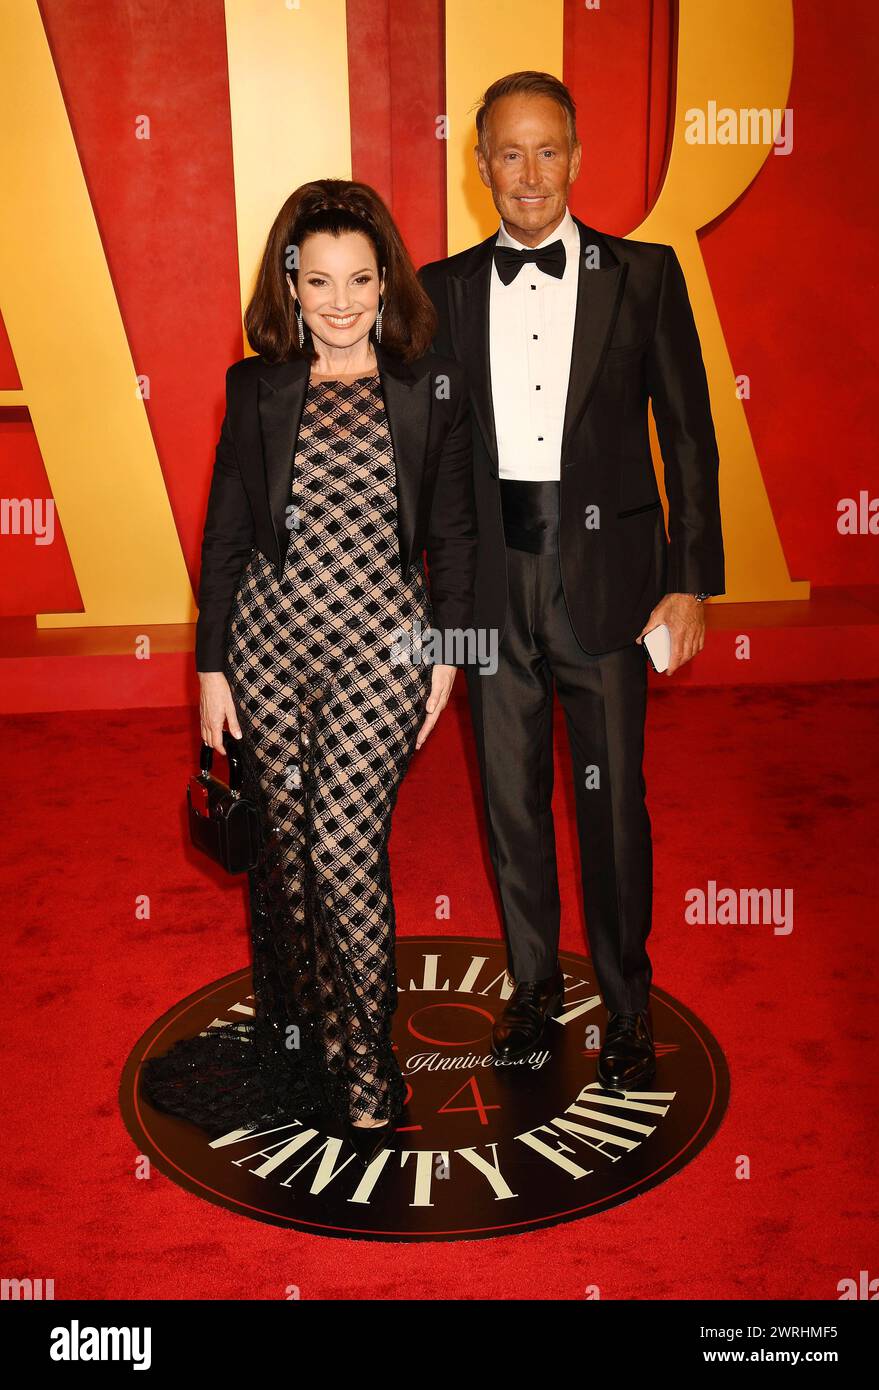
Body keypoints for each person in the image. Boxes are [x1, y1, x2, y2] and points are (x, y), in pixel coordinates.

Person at [140, 180, 476, 1165]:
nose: (339, 301)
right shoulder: (257, 386)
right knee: (286, 865)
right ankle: (313, 1043)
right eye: (318, 280)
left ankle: (369, 1071)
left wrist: (448, 666)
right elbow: (227, 532)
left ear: (387, 284)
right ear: (289, 282)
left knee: (340, 847)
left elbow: (454, 541)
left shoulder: (430, 385)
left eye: (359, 280)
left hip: (385, 645)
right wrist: (211, 669)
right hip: (269, 647)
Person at [418, 71, 725, 1089]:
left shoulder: (645, 274)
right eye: (510, 152)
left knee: (613, 805)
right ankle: (535, 990)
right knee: (509, 801)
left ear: (578, 158)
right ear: (480, 166)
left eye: (549, 150)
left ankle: (630, 1009)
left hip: (611, 587)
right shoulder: (444, 290)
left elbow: (688, 439)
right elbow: (426, 459)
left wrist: (691, 581)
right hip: (492, 592)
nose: (530, 173)